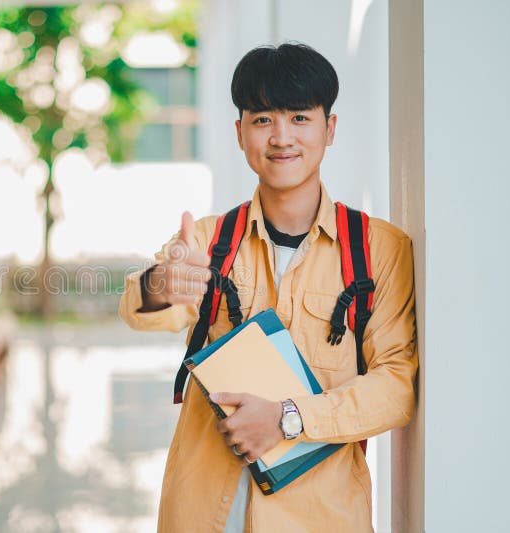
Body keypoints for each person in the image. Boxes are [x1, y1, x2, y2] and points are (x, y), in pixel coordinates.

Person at [118, 43, 418, 532]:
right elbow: (141, 307)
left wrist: (288, 418)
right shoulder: (208, 240)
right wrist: (161, 283)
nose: (281, 137)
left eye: (300, 118)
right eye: (262, 120)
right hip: (202, 514)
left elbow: (396, 388)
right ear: (240, 133)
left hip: (321, 518)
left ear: (330, 129)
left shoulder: (379, 250)